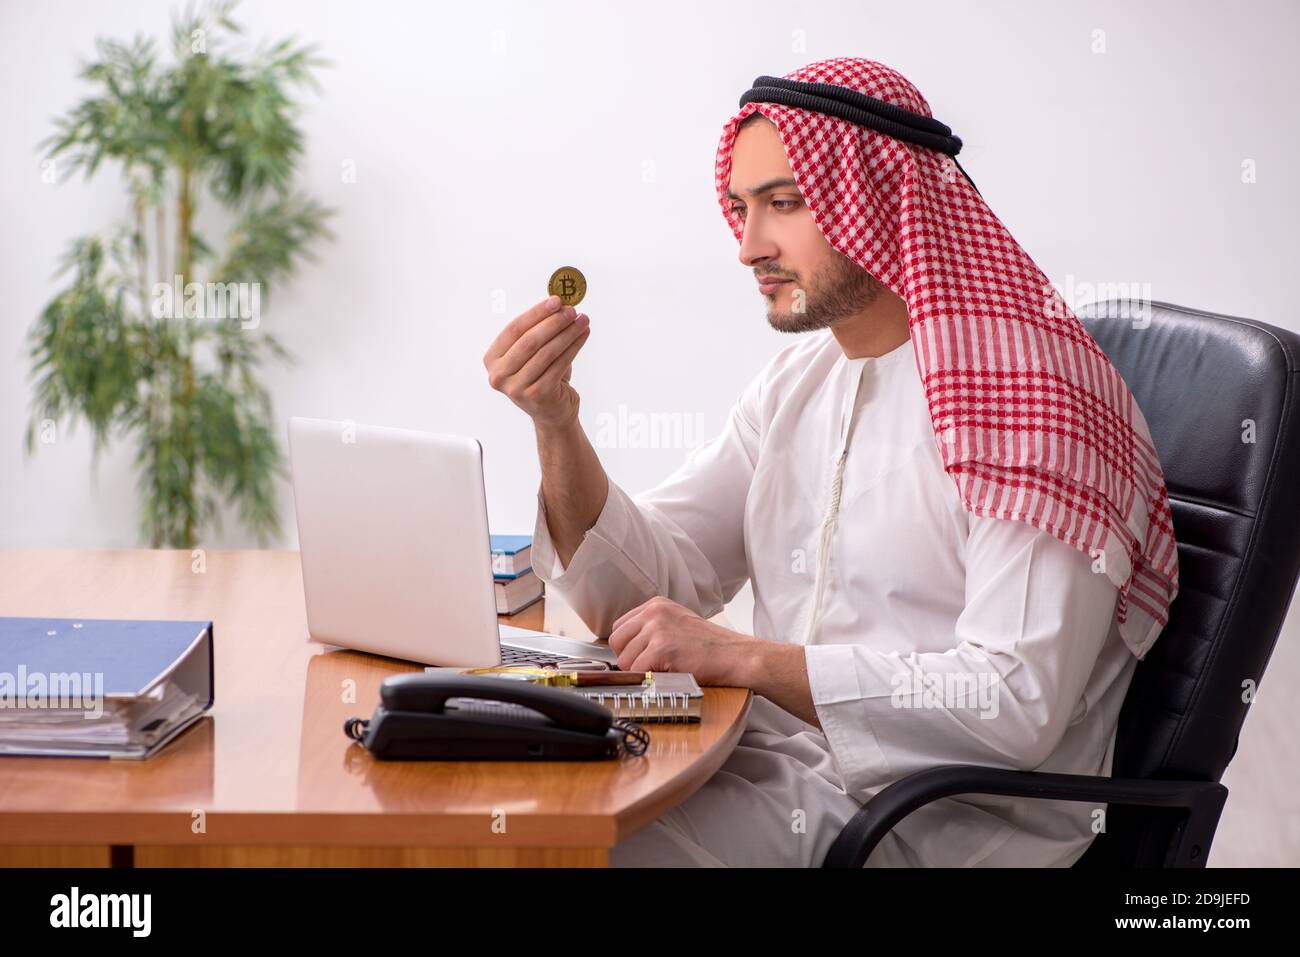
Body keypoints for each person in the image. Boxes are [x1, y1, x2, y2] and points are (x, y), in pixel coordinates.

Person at [481, 57, 1178, 867]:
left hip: (935, 828)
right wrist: (556, 423)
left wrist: (739, 654)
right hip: (783, 768)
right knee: (515, 794)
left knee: (564, 847)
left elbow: (1012, 703)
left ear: (884, 199)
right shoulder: (803, 380)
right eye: (741, 208)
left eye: (785, 203)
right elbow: (652, 589)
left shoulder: (1030, 398)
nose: (749, 246)